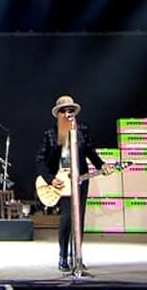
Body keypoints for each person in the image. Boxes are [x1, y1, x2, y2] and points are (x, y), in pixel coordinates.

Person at [35, 95, 113, 272]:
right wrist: (50, 179)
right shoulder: (51, 134)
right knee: (67, 219)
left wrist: (102, 166)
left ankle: (77, 256)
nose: (68, 114)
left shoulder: (82, 131)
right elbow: (40, 160)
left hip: (80, 180)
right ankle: (63, 256)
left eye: (71, 110)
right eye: (64, 111)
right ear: (58, 114)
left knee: (79, 219)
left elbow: (91, 154)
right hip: (61, 181)